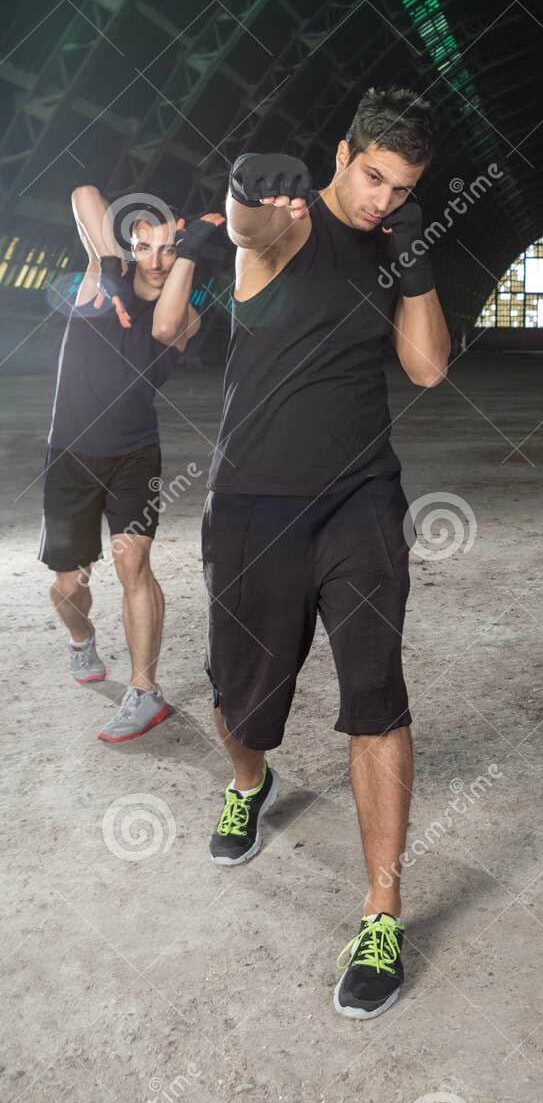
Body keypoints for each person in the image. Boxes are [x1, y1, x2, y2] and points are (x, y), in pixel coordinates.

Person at [202, 86, 450, 1021]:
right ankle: (249, 781)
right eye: (374, 176)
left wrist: (414, 259)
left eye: (402, 187)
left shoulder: (395, 245)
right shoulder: (291, 225)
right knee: (245, 695)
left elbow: (426, 367)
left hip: (360, 499)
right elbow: (249, 231)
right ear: (343, 153)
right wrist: (243, 189)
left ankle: (381, 911)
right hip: (254, 504)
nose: (384, 199)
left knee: (375, 692)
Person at [40, 185, 217, 741]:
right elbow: (84, 193)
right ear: (131, 248)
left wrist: (191, 249)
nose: (157, 260)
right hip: (69, 452)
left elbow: (166, 327)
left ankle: (146, 692)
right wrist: (110, 264)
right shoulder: (98, 284)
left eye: (168, 248)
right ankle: (81, 641)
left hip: (135, 453)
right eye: (146, 248)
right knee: (69, 587)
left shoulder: (186, 315)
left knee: (132, 564)